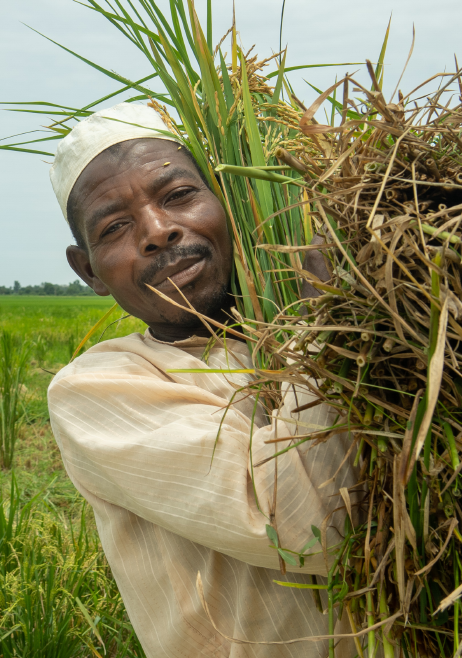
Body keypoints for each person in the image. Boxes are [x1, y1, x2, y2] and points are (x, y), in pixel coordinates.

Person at [46, 102, 355, 657]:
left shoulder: (333, 327)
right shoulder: (99, 390)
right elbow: (305, 527)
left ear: (230, 200)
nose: (159, 232)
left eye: (179, 196)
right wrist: (323, 320)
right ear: (88, 269)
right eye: (115, 226)